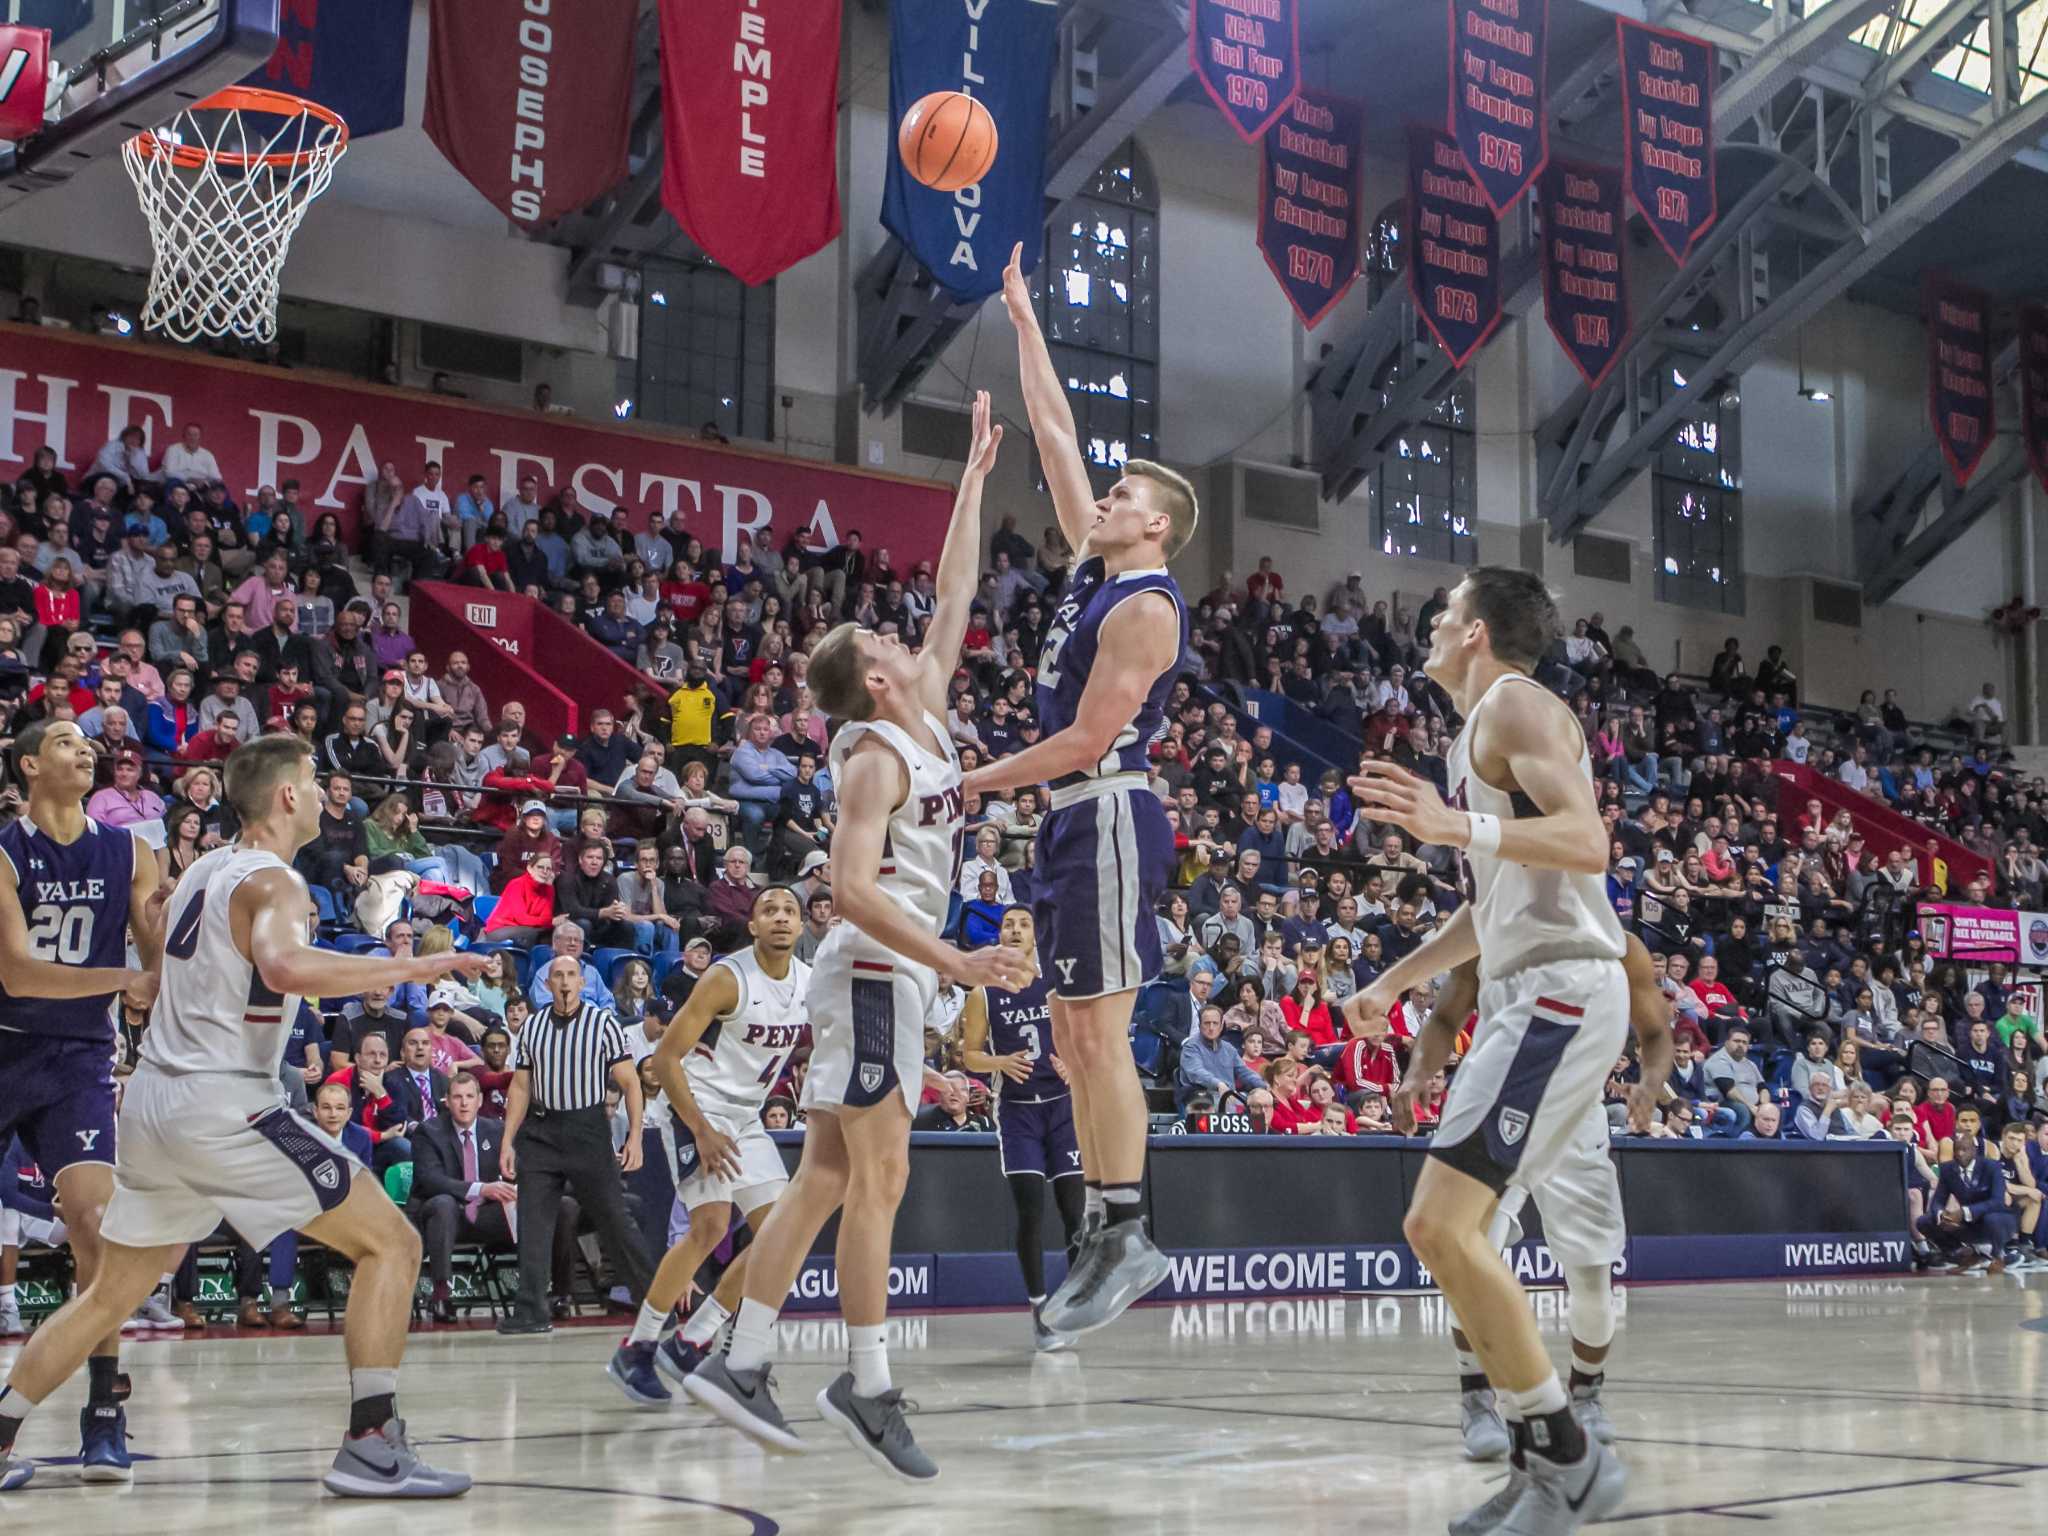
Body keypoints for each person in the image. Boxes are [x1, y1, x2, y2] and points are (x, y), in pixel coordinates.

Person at [683, 392, 1031, 1479]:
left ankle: (736, 1357)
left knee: (826, 1180)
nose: (904, 633)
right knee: (879, 1185)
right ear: (872, 679)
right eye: (884, 640)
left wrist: (973, 476)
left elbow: (955, 586)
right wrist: (955, 961)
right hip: (878, 971)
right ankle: (866, 1382)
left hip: (890, 981)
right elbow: (846, 890)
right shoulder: (873, 753)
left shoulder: (921, 702)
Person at [0, 734, 487, 1497]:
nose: (327, 789)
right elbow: (287, 967)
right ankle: (371, 1441)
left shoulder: (200, 870)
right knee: (391, 1242)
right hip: (223, 1100)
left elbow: (168, 956)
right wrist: (415, 965)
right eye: (316, 777)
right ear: (288, 795)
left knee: (109, 1295)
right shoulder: (275, 883)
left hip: (156, 1102)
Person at [1346, 568, 1630, 1533]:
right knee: (1445, 1230)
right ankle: (1546, 1454)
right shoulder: (1487, 730)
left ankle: (1567, 1458)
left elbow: (1589, 841)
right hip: (1534, 989)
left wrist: (1449, 822)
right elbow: (1491, 905)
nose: (1432, 618)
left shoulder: (1515, 706)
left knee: (1447, 1228)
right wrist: (1394, 981)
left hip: (1561, 992)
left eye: (1447, 608)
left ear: (1476, 633)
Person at [958, 247, 1196, 1337]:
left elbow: (1085, 738)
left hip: (1102, 809)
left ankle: (1124, 1229)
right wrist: (1025, 324)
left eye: (1120, 497)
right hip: (1068, 821)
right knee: (1067, 1042)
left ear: (1153, 525)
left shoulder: (1144, 605)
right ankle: (1107, 1227)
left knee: (1094, 1040)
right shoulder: (1095, 572)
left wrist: (973, 780)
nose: (1099, 501)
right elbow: (1056, 440)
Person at [1391, 934, 1672, 1464]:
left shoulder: (1618, 946)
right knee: (1468, 1252)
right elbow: (1447, 1017)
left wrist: (1650, 1084)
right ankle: (1477, 1399)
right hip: (1496, 1104)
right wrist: (1416, 1074)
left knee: (1592, 1276)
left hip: (1577, 1113)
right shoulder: (1491, 930)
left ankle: (1586, 1393)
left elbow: (1656, 1033)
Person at [0, 721, 163, 1483]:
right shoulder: (5, 851)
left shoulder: (130, 849)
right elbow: (20, 975)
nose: (83, 746)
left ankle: (105, 1409)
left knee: (97, 1226)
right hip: (6, 1040)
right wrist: (121, 979)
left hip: (77, 1058)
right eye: (65, 739)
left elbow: (157, 952)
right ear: (30, 764)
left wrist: (162, 964)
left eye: (86, 740)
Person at [608, 885, 811, 1403]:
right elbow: (666, 1057)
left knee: (781, 1235)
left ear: (804, 924)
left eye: (790, 910)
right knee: (709, 1227)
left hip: (745, 1117)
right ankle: (638, 1347)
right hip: (694, 1105)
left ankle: (693, 1340)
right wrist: (700, 1129)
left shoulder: (809, 983)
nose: (782, 918)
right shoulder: (727, 979)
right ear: (753, 925)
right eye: (770, 910)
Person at [496, 954, 652, 1335]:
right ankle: (531, 1311)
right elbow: (519, 1086)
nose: (565, 981)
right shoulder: (531, 1026)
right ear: (547, 984)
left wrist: (635, 1136)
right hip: (541, 1130)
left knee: (615, 1219)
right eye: (557, 975)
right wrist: (507, 1141)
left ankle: (653, 1304)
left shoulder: (603, 1023)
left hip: (587, 1128)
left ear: (583, 983)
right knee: (532, 1221)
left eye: (571, 975)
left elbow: (631, 1083)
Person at [958, 905, 1086, 1352]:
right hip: (1017, 1112)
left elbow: (1079, 1040)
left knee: (1074, 1210)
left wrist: (1073, 1064)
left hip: (1062, 1107)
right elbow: (969, 1056)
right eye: (1008, 924)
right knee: (1031, 1209)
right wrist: (1000, 1062)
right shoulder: (983, 993)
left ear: (1035, 935)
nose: (1014, 929)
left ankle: (1073, 1305)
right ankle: (1039, 1309)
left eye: (1023, 924)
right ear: (1000, 935)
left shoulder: (1055, 984)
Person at [408, 1073, 580, 1325]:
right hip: (449, 1215)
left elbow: (525, 1169)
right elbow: (430, 1179)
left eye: (469, 1097)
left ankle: (560, 1295)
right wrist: (481, 1189)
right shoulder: (429, 1132)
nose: (464, 1103)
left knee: (564, 1207)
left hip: (491, 1215)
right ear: (447, 1101)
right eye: (457, 1097)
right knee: (443, 1204)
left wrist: (522, 1189)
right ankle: (441, 1297)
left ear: (480, 1101)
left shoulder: (498, 1130)